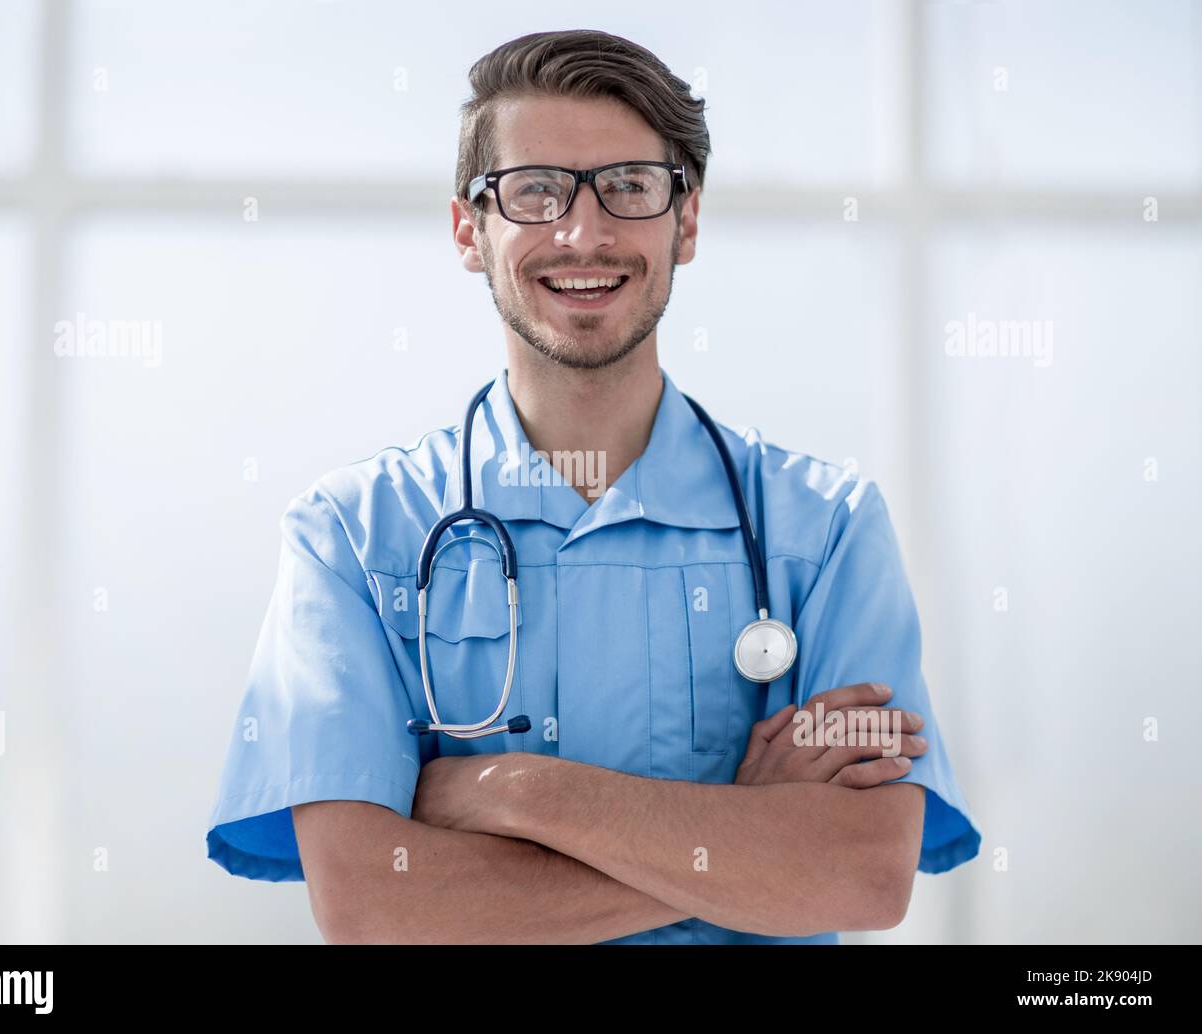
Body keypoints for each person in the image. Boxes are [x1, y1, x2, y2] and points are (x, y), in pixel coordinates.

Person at [205, 28, 981, 944]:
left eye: (629, 185)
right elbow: (375, 906)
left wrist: (517, 790)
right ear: (469, 229)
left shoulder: (827, 530)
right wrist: (744, 833)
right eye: (534, 190)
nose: (584, 231)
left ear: (685, 223)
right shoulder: (352, 537)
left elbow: (859, 873)